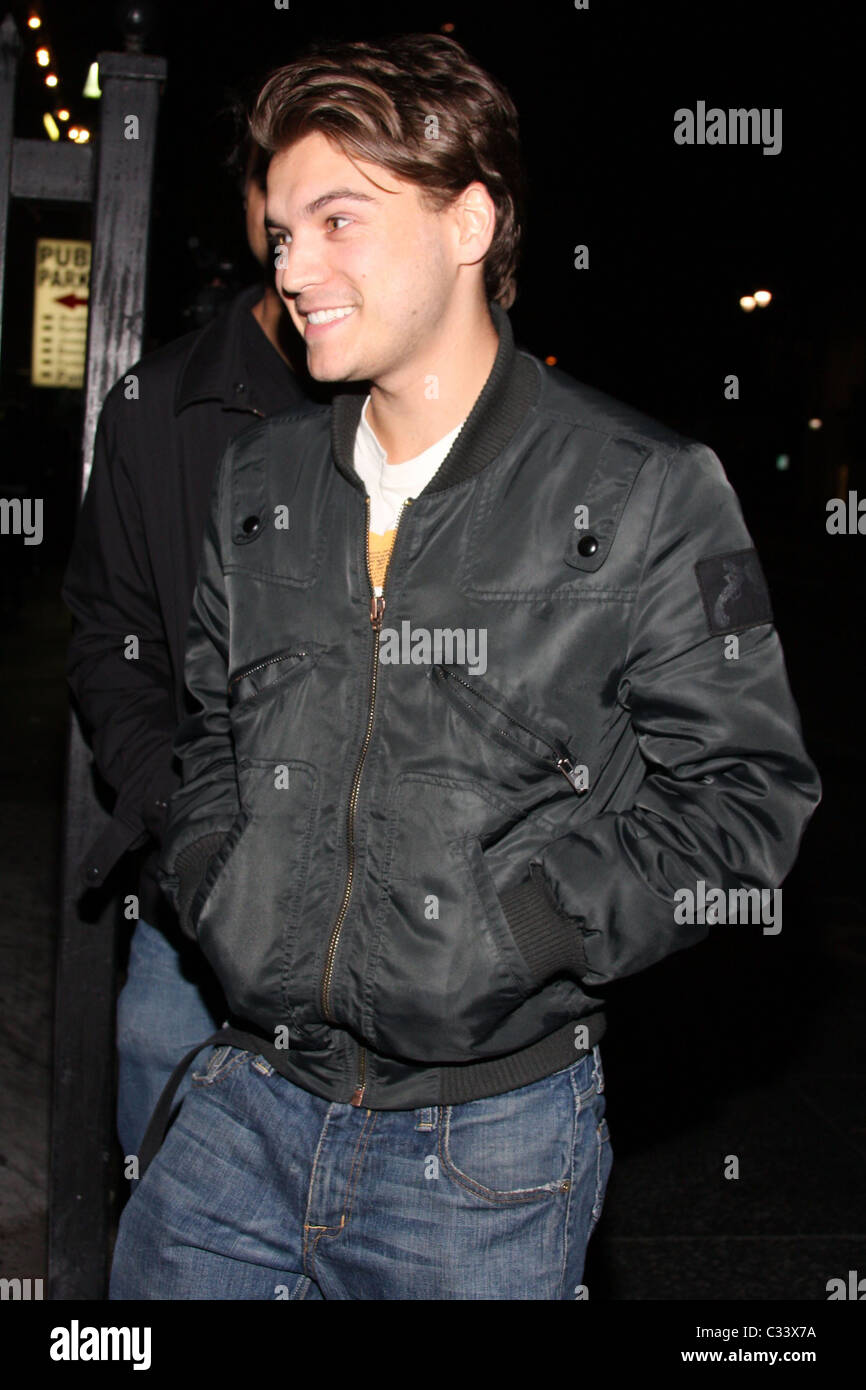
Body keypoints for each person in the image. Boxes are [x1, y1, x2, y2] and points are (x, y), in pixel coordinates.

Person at [108, 32, 821, 1301]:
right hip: (242, 1101)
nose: (293, 267)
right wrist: (215, 872)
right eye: (280, 232)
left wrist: (525, 926)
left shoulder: (642, 489)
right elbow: (210, 722)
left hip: (481, 1153)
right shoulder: (259, 482)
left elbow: (746, 800)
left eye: (337, 220)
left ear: (469, 221)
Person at [61, 123, 322, 1163]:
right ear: (257, 203)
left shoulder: (431, 400)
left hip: (407, 926)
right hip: (204, 900)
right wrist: (179, 815)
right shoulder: (161, 407)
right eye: (294, 196)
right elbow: (107, 633)